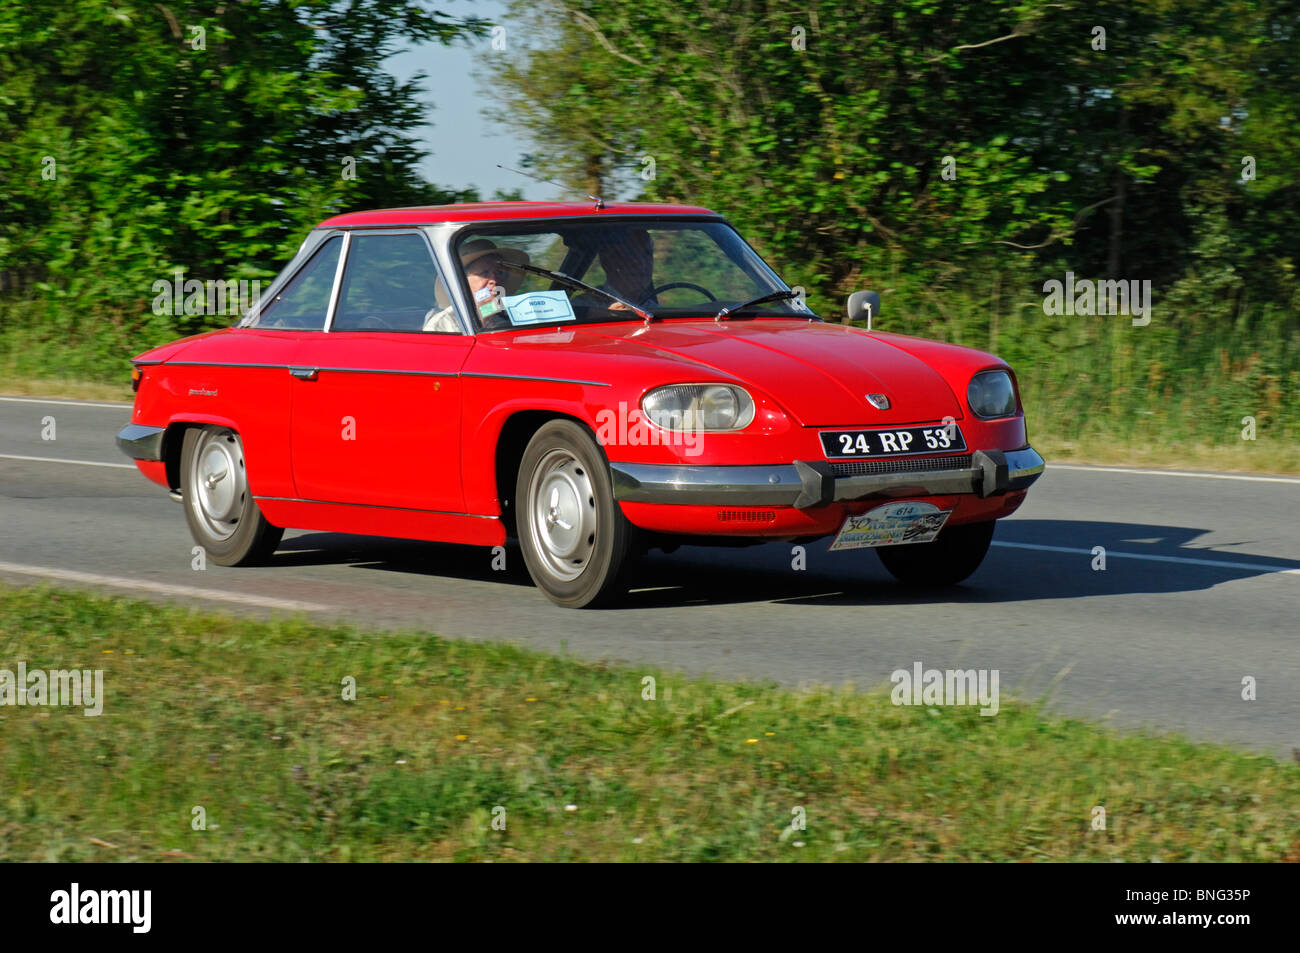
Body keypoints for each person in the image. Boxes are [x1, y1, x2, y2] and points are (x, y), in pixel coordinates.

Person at [423, 239, 530, 332]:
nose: (494, 280)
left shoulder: (513, 318)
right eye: (484, 273)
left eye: (499, 273)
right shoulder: (443, 324)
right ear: (462, 283)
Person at [583, 227, 655, 311]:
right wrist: (607, 317)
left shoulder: (657, 312)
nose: (642, 264)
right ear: (608, 261)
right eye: (633, 254)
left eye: (647, 254)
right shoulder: (583, 308)